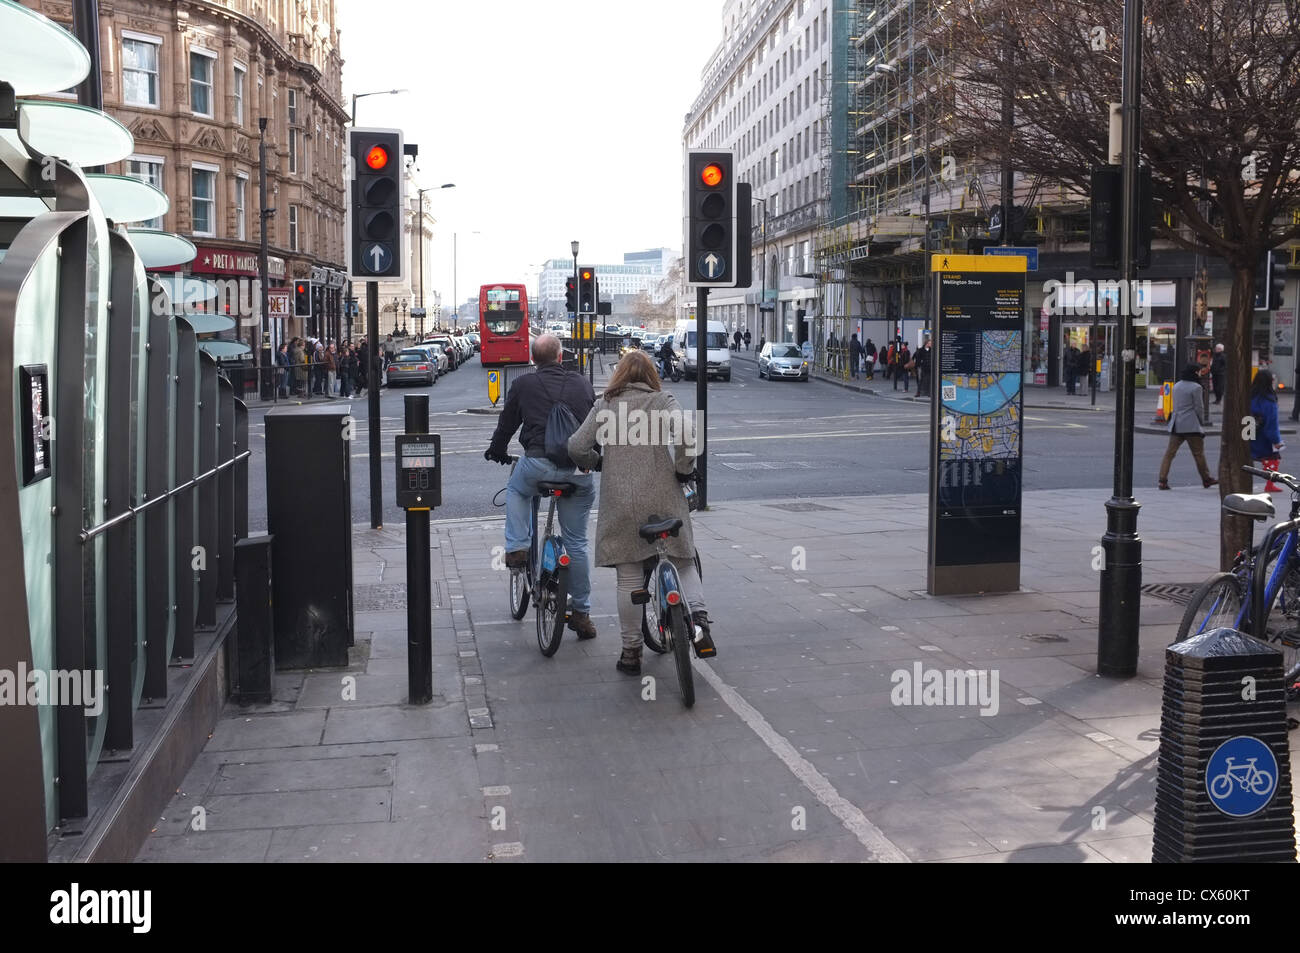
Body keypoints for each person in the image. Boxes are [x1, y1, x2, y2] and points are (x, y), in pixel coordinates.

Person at [567, 349, 714, 675]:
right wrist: (682, 468)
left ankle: (631, 652)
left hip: (620, 504)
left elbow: (576, 446)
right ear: (650, 376)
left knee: (629, 578)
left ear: (619, 375)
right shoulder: (662, 401)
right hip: (663, 498)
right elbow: (691, 434)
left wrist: (597, 462)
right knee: (683, 560)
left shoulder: (605, 404)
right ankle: (701, 625)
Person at [484, 333, 598, 640]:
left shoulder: (523, 384)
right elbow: (594, 426)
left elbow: (507, 425)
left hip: (537, 464)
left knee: (518, 490)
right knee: (576, 542)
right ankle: (583, 613)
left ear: (533, 360)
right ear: (561, 357)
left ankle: (518, 548)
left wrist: (497, 450)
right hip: (577, 469)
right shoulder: (582, 384)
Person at [1159, 364, 1219, 491]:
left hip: (1176, 424)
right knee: (1198, 454)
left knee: (1169, 454)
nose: (1200, 374)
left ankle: (1162, 480)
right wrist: (1200, 421)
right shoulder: (1196, 387)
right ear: (1195, 373)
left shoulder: (1177, 385)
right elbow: (1199, 407)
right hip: (1191, 425)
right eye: (1198, 372)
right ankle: (1206, 479)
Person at [1249, 367, 1284, 492]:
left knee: (1246, 459)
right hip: (1263, 437)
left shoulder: (1249, 396)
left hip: (1247, 433)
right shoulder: (1269, 401)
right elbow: (1271, 424)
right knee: (1273, 458)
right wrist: (1276, 440)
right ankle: (1270, 484)